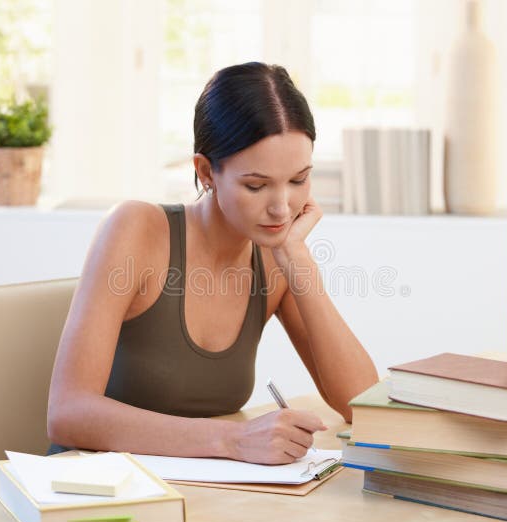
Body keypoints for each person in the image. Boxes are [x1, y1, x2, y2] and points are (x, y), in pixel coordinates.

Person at [47, 62, 378, 464]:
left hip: (200, 491)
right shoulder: (136, 230)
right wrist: (232, 440)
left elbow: (363, 407)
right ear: (206, 172)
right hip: (94, 491)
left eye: (298, 180)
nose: (281, 207)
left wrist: (298, 262)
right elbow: (68, 413)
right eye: (255, 185)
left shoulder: (276, 260)